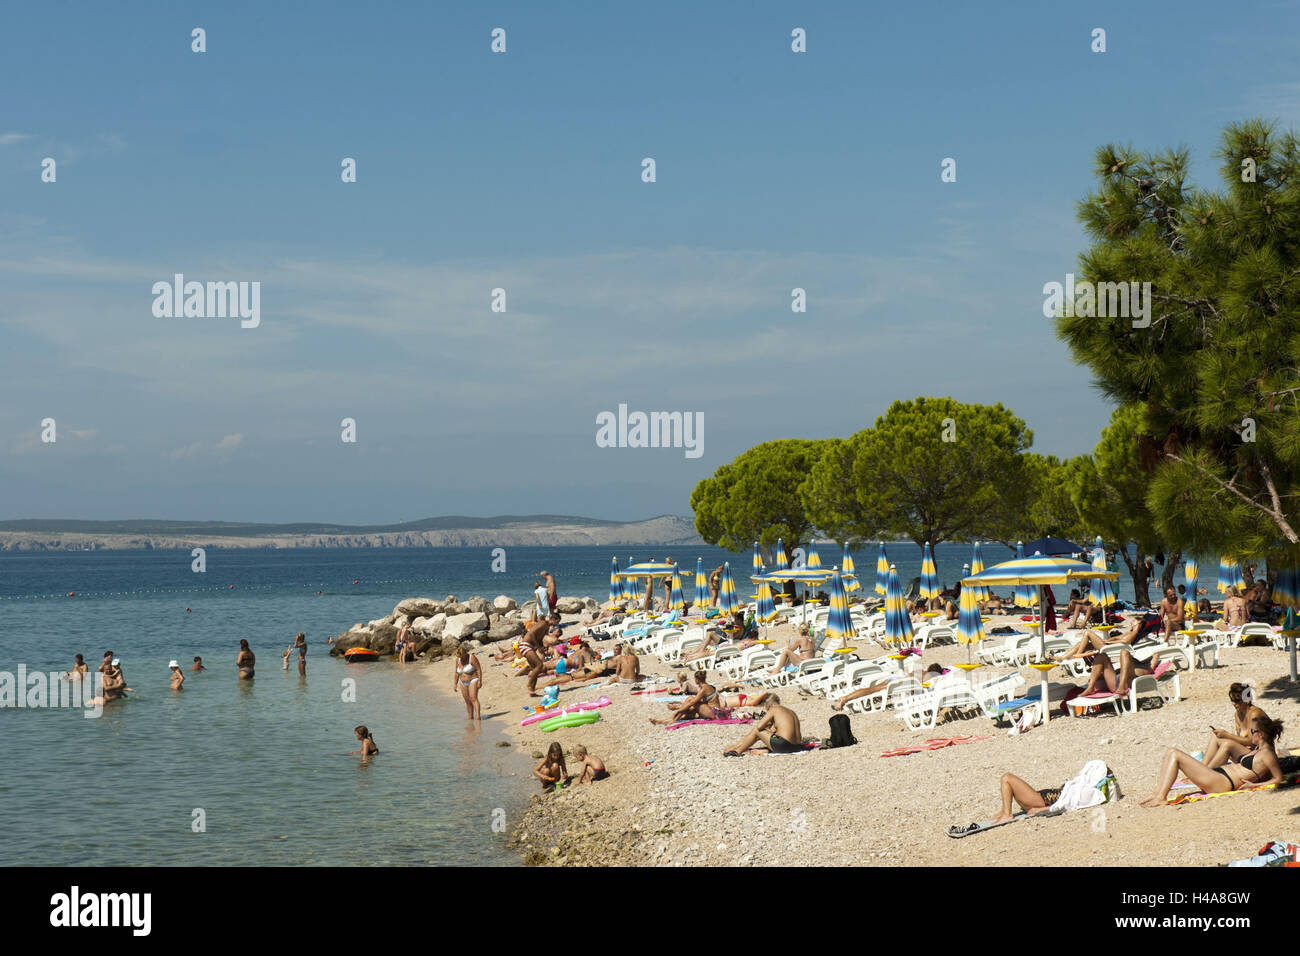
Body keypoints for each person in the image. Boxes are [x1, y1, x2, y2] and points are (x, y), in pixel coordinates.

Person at [1140, 716, 1286, 807]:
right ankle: (1158, 792)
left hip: (1222, 783)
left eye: (1252, 732)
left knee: (1174, 753)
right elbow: (1229, 746)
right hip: (1219, 776)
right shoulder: (1257, 749)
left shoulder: (1267, 754)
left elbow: (1278, 778)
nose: (1249, 734)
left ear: (1260, 734)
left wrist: (1255, 785)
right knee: (1170, 752)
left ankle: (1161, 797)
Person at [1203, 683, 1270, 769]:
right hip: (1248, 753)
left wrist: (1227, 736)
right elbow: (1241, 740)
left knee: (1228, 745)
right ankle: (1203, 767)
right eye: (1232, 700)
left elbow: (1251, 741)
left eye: (1237, 701)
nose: (1234, 703)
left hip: (1261, 755)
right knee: (1215, 736)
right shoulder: (1238, 715)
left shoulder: (1254, 714)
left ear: (1247, 700)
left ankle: (1207, 773)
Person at [832, 663, 944, 711]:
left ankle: (845, 697)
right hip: (897, 683)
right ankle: (845, 699)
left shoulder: (920, 670)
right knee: (871, 691)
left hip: (895, 679)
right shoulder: (928, 675)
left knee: (870, 689)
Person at [722, 696, 802, 755]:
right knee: (760, 733)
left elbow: (759, 727)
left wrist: (767, 725)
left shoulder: (773, 709)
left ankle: (737, 751)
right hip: (797, 747)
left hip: (784, 745)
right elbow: (776, 733)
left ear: (768, 705)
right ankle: (736, 746)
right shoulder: (790, 711)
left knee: (757, 730)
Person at [989, 772, 1068, 825]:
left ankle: (1007, 814)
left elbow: (1067, 803)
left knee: (1007, 778)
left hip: (1041, 802)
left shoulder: (1078, 791)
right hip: (1039, 799)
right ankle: (1004, 811)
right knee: (1007, 778)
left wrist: (1041, 809)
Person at [651, 670, 721, 723]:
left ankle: (673, 718)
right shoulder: (706, 686)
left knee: (690, 700)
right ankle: (664, 721)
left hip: (714, 713)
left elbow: (692, 702)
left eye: (694, 679)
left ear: (697, 680)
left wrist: (678, 710)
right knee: (687, 713)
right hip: (711, 711)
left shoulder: (704, 689)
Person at [453, 646, 483, 722]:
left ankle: (478, 718)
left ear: (465, 654)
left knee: (473, 698)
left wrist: (479, 681)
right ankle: (470, 718)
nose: (461, 658)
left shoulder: (472, 658)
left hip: (473, 680)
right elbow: (456, 673)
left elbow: (479, 670)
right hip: (462, 682)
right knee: (467, 701)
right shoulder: (458, 660)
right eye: (459, 657)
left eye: (461, 656)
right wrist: (455, 684)